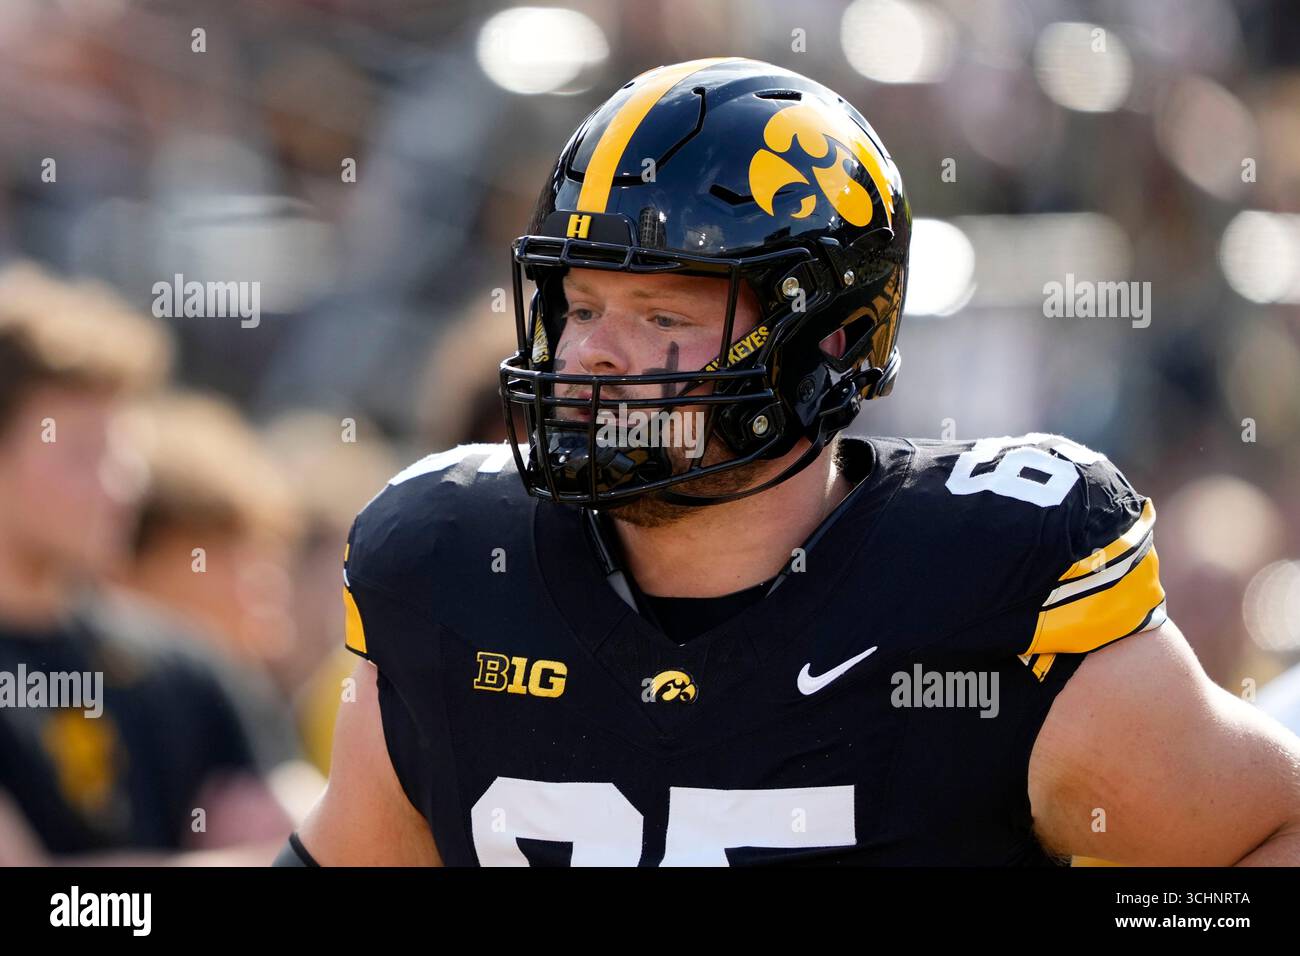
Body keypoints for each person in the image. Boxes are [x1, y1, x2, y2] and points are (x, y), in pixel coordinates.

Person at [284, 58, 1300, 866]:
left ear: (827, 338)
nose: (592, 352)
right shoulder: (449, 563)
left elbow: (1263, 831)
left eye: (661, 314)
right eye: (581, 305)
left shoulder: (989, 580)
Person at [0, 263, 291, 863]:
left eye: (121, 449)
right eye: (81, 452)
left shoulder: (185, 670)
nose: (118, 483)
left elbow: (313, 846)